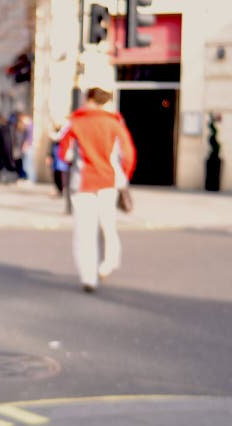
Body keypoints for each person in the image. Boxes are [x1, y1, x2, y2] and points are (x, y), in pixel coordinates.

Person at [58, 87, 137, 293]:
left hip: (83, 182)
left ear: (88, 100)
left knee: (85, 231)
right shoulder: (114, 123)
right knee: (107, 225)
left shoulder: (75, 123)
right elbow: (128, 154)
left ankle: (88, 275)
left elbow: (63, 154)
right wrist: (123, 176)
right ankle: (109, 261)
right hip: (108, 180)